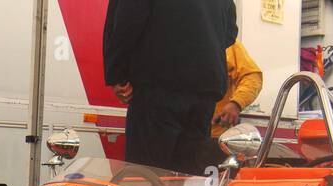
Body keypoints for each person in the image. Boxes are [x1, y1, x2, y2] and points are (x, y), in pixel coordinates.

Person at [103, 0, 238, 175]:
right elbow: (230, 32)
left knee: (147, 177)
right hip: (203, 90)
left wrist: (118, 75)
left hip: (158, 85)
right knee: (189, 176)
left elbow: (127, 21)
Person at [211, 41, 264, 139]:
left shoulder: (226, 42)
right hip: (179, 128)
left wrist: (236, 103)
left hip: (212, 135)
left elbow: (252, 77)